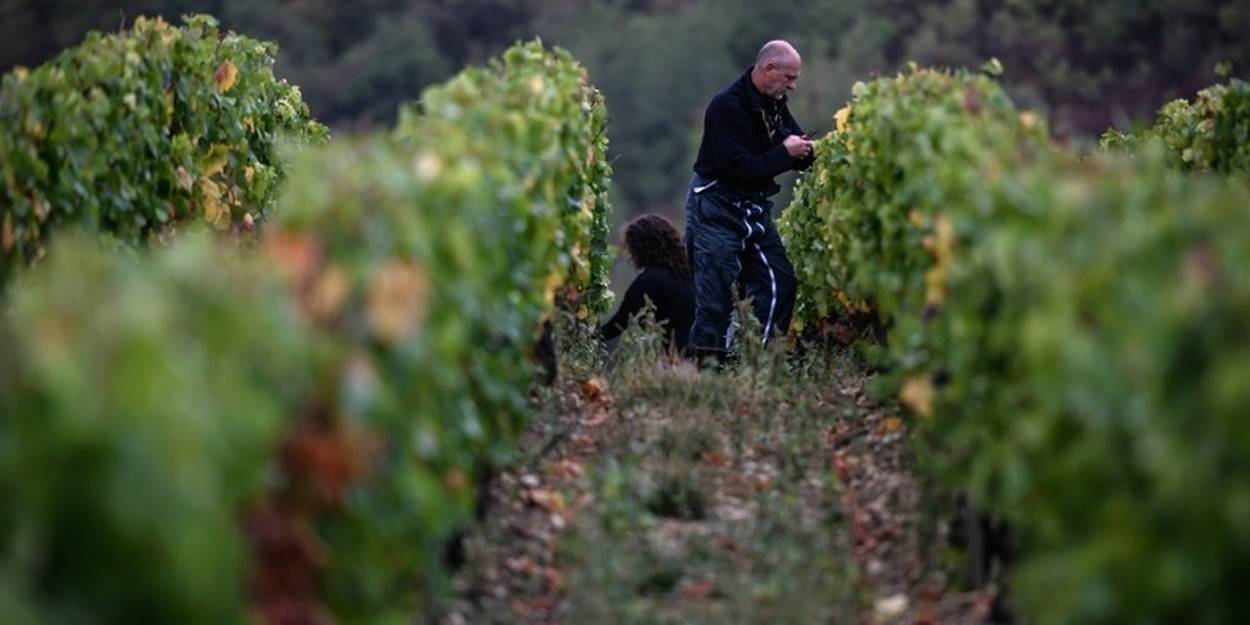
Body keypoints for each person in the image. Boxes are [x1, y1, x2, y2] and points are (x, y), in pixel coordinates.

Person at [684, 40, 814, 364]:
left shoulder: (775, 102)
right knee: (715, 296)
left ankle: (760, 366)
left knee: (780, 282)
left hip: (752, 208)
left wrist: (805, 152)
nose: (793, 86)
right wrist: (786, 153)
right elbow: (737, 168)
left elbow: (794, 147)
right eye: (789, 77)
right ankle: (708, 377)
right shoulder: (726, 107)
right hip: (716, 206)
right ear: (768, 69)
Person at [598, 214, 695, 353]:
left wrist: (592, 336)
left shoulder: (649, 281)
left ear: (641, 248)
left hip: (668, 359)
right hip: (693, 355)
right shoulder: (689, 275)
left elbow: (621, 321)